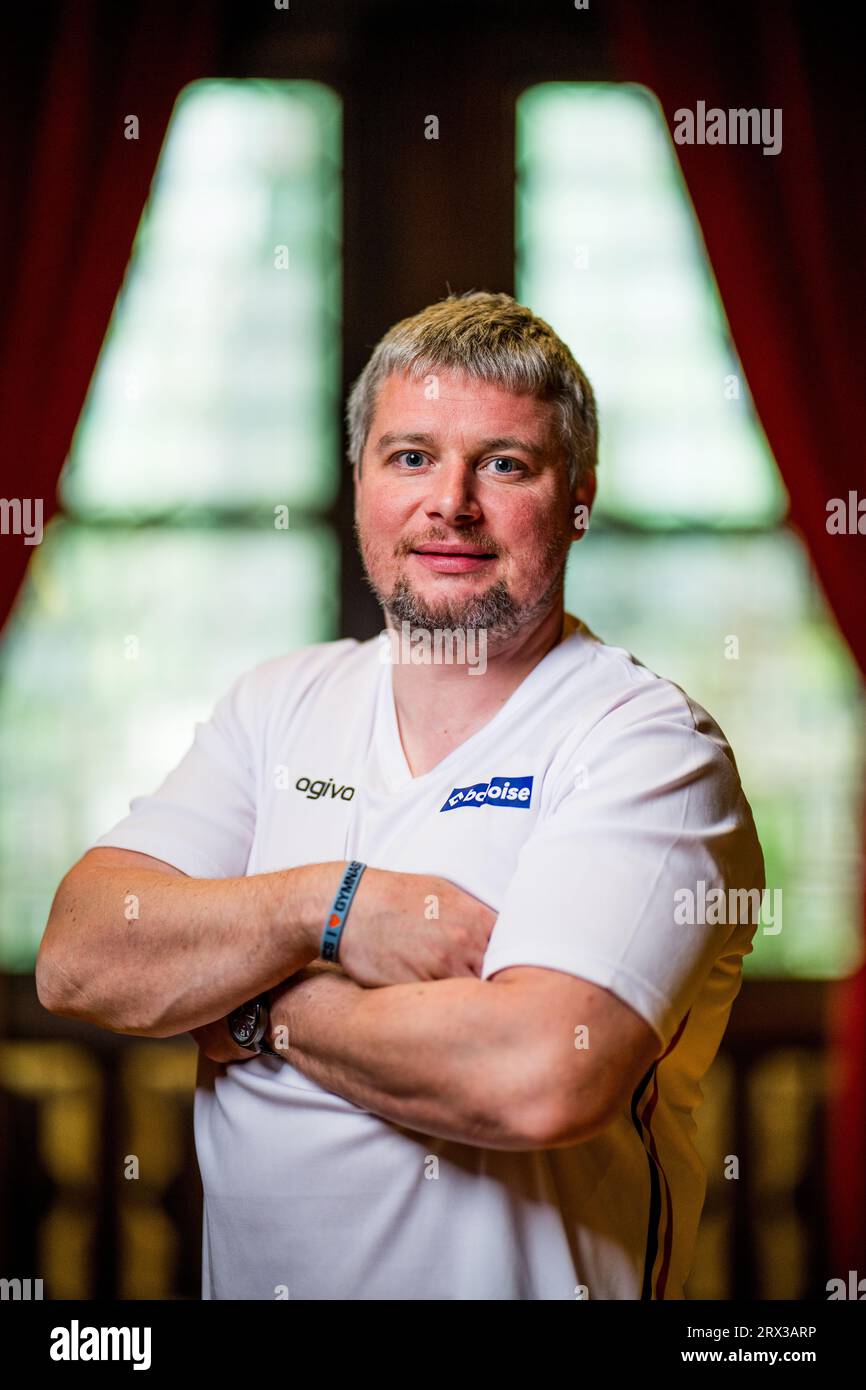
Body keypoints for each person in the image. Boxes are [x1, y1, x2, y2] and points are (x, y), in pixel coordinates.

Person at [36, 290, 765, 1300]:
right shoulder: (279, 702)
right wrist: (332, 906)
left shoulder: (646, 747)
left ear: (579, 497)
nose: (450, 503)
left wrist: (257, 1008)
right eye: (411, 455)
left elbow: (540, 1070)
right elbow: (81, 950)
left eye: (503, 463)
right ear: (361, 479)